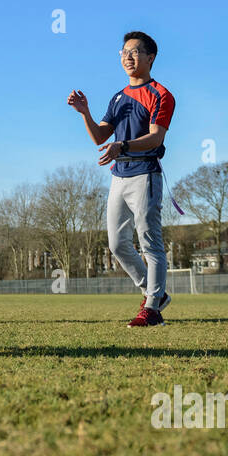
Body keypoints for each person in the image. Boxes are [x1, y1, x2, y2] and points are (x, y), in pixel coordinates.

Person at [67, 31, 174, 326]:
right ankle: (155, 294)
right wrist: (85, 112)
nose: (128, 57)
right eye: (124, 52)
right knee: (116, 244)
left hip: (145, 174)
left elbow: (155, 138)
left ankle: (152, 309)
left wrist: (122, 146)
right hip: (119, 175)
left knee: (150, 242)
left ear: (150, 58)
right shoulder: (118, 97)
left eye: (135, 52)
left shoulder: (161, 95)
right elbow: (101, 136)